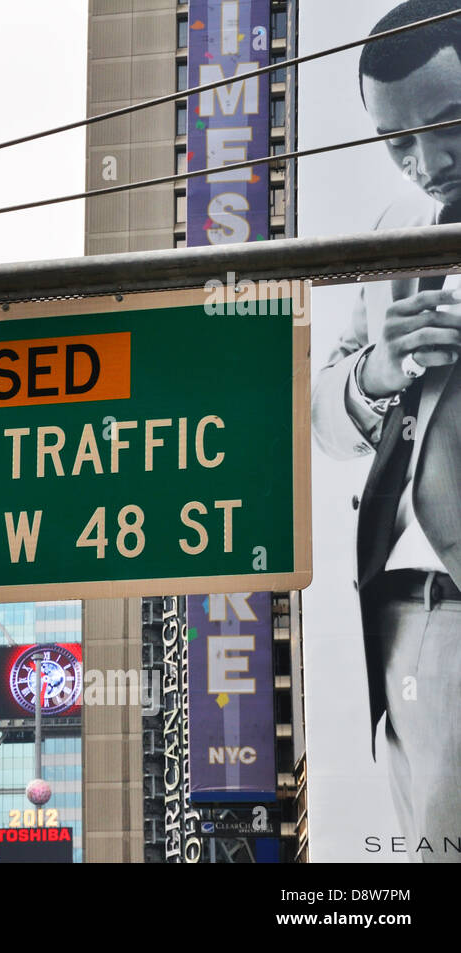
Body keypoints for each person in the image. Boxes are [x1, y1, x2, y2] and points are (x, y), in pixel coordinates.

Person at [311, 0, 461, 861]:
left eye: (449, 124)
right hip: (404, 610)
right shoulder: (391, 237)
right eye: (396, 142)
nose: (427, 161)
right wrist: (377, 371)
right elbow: (321, 406)